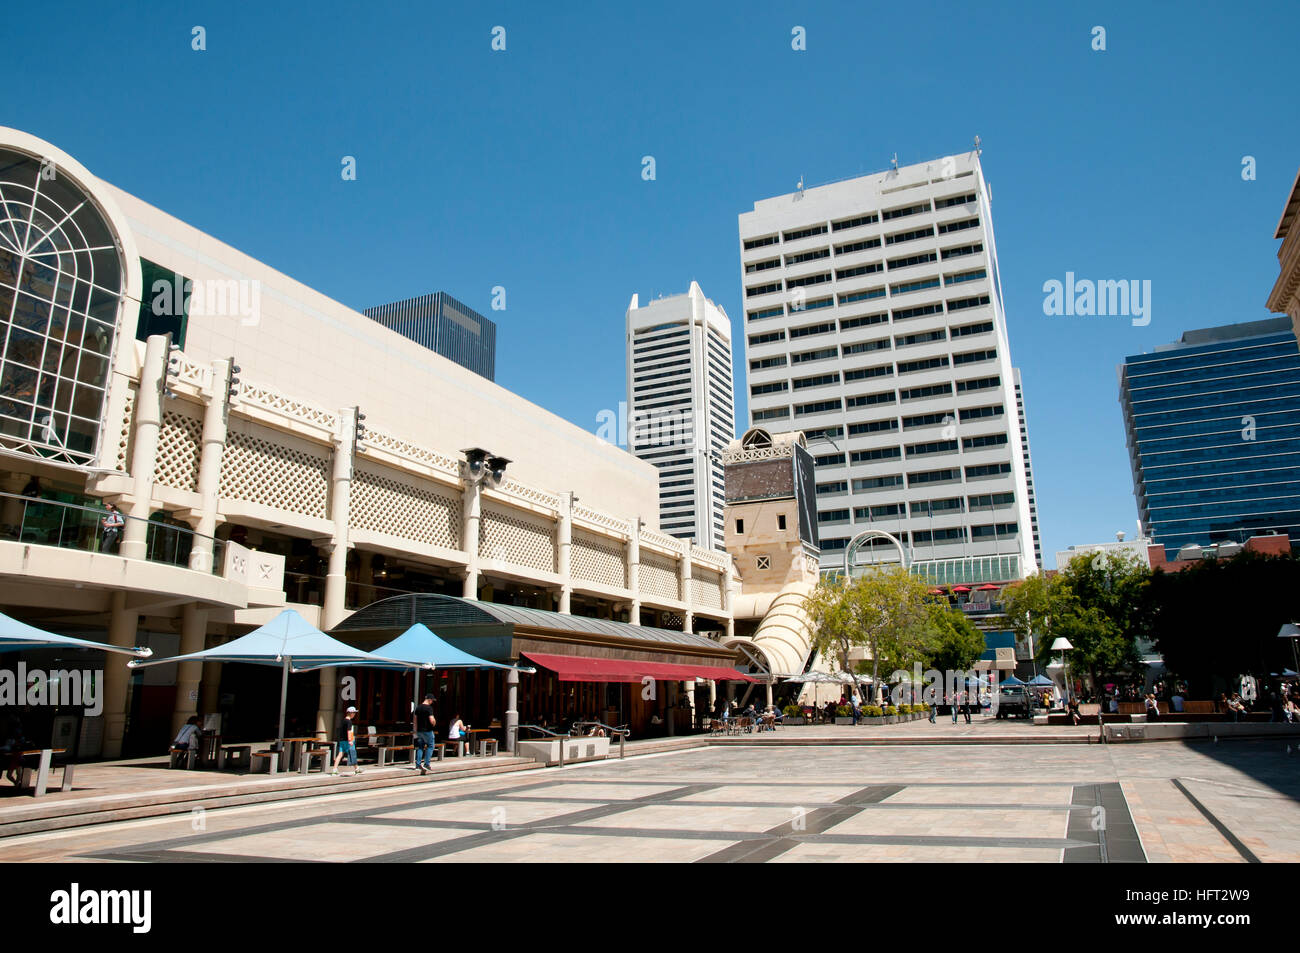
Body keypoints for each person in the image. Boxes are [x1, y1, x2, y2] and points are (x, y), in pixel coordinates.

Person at [331, 706, 362, 775]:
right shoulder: (349, 722)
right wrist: (350, 740)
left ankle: (334, 769)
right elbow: (349, 731)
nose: (354, 714)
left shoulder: (344, 720)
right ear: (350, 713)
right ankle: (357, 769)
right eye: (354, 713)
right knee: (352, 755)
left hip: (342, 740)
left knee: (340, 755)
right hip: (348, 741)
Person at [413, 693, 437, 774]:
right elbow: (431, 720)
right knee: (431, 746)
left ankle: (418, 764)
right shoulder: (429, 708)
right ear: (429, 700)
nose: (432, 702)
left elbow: (415, 720)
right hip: (428, 730)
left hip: (419, 730)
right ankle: (427, 763)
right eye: (432, 701)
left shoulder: (418, 707)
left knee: (420, 747)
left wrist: (415, 731)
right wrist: (434, 722)